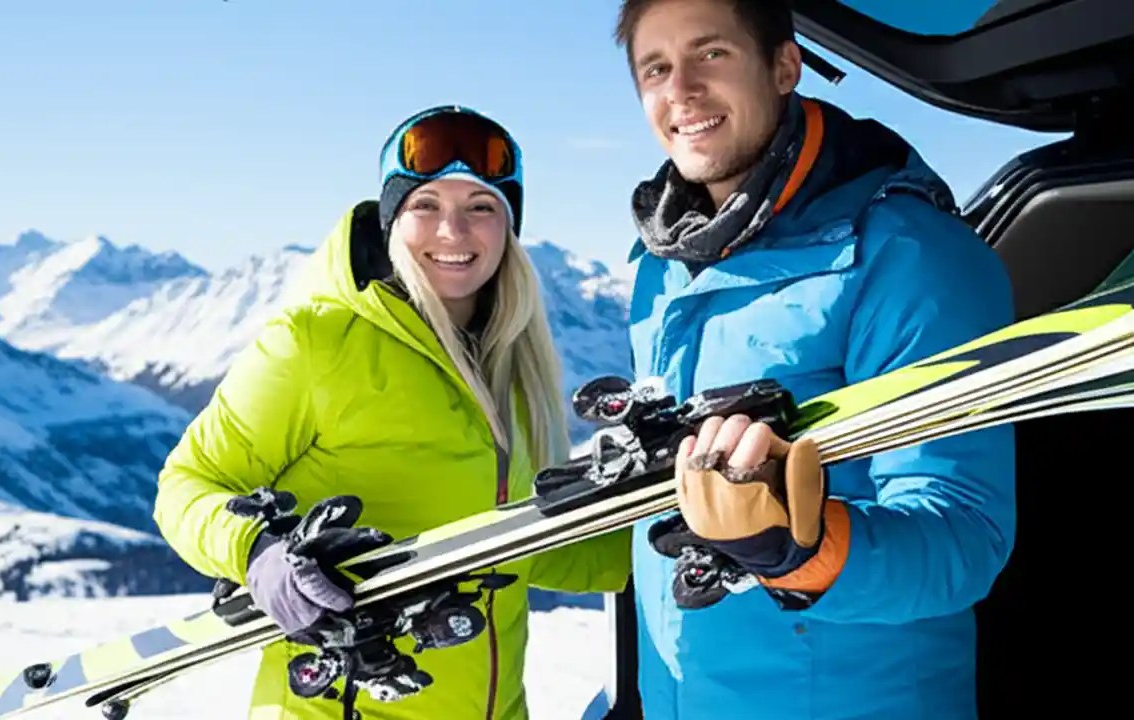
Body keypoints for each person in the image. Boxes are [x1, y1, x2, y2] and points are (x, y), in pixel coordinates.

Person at [151, 104, 632, 720]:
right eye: (425, 205)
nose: (453, 233)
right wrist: (258, 552)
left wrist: (668, 540)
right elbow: (185, 487)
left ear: (508, 231)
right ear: (390, 220)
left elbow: (523, 547)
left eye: (481, 208)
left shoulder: (508, 365)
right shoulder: (316, 342)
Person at [609, 0, 1017, 718]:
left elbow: (963, 536)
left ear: (784, 66)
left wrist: (800, 549)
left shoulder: (907, 255)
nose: (681, 91)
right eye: (656, 69)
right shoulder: (659, 268)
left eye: (711, 55)